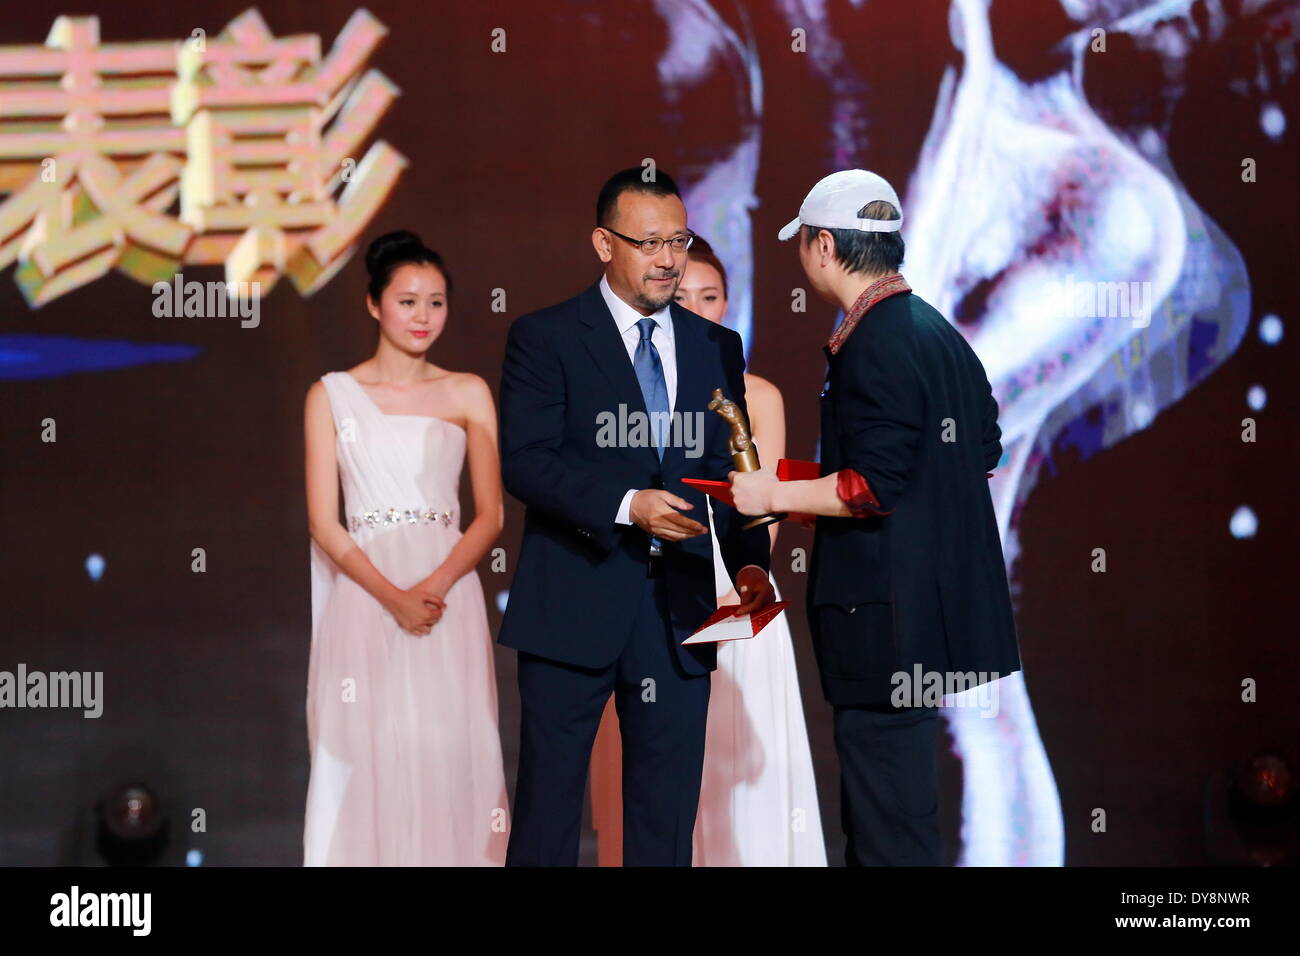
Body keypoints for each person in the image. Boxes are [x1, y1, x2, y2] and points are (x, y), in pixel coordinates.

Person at [731, 170, 1022, 866]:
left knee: (886, 832)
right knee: (895, 820)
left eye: (803, 242)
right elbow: (974, 452)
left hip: (884, 625)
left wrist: (772, 495)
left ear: (824, 244)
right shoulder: (933, 329)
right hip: (918, 622)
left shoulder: (877, 339)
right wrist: (804, 485)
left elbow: (872, 487)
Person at [498, 168, 776, 866]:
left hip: (679, 611)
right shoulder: (546, 336)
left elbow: (729, 469)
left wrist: (749, 564)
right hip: (572, 601)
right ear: (602, 242)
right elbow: (526, 463)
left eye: (677, 240)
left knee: (664, 818)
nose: (667, 258)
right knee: (549, 812)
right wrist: (628, 507)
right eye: (648, 241)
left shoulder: (717, 346)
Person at [589, 238, 827, 866]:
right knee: (656, 777)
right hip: (651, 596)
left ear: (729, 303)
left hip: (735, 595)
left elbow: (764, 512)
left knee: (739, 777)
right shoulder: (630, 390)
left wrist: (737, 590)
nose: (696, 306)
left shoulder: (758, 395)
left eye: (711, 295)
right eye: (683, 292)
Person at [303, 230, 509, 865]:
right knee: (371, 747)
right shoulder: (329, 394)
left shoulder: (467, 391)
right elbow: (324, 523)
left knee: (449, 746)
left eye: (437, 303)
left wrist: (435, 586)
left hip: (447, 594)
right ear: (374, 304)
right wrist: (393, 596)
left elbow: (491, 514)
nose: (423, 317)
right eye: (408, 301)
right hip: (366, 596)